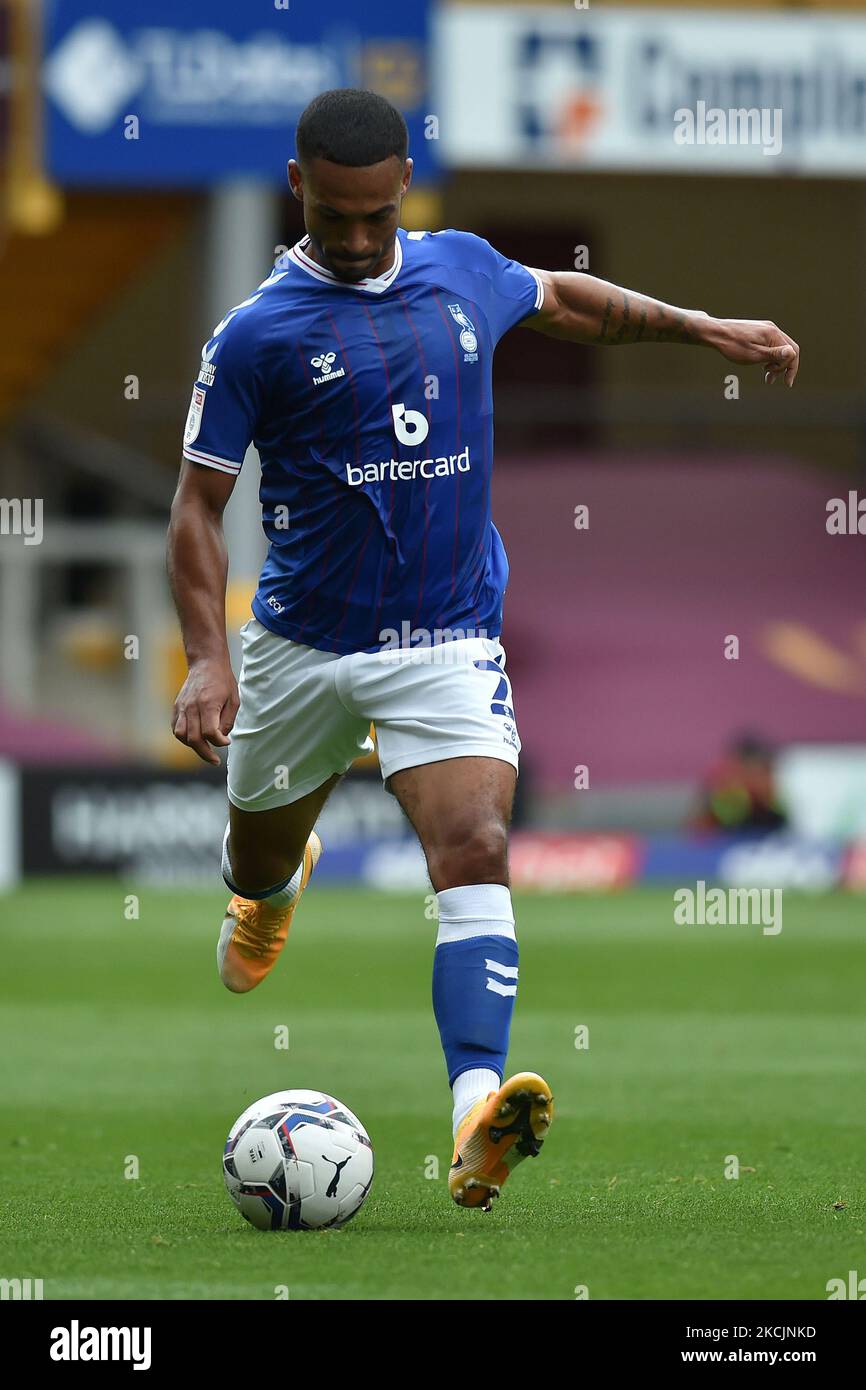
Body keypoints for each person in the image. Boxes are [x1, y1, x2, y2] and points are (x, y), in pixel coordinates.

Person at [167, 88, 800, 1212]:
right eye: (334, 217)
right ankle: (268, 891)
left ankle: (473, 1112)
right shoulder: (254, 334)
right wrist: (210, 659)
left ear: (403, 182)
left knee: (477, 841)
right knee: (257, 859)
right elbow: (196, 508)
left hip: (446, 638)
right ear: (297, 184)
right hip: (301, 648)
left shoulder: (460, 269)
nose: (358, 240)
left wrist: (702, 327)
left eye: (375, 215)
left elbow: (566, 299)